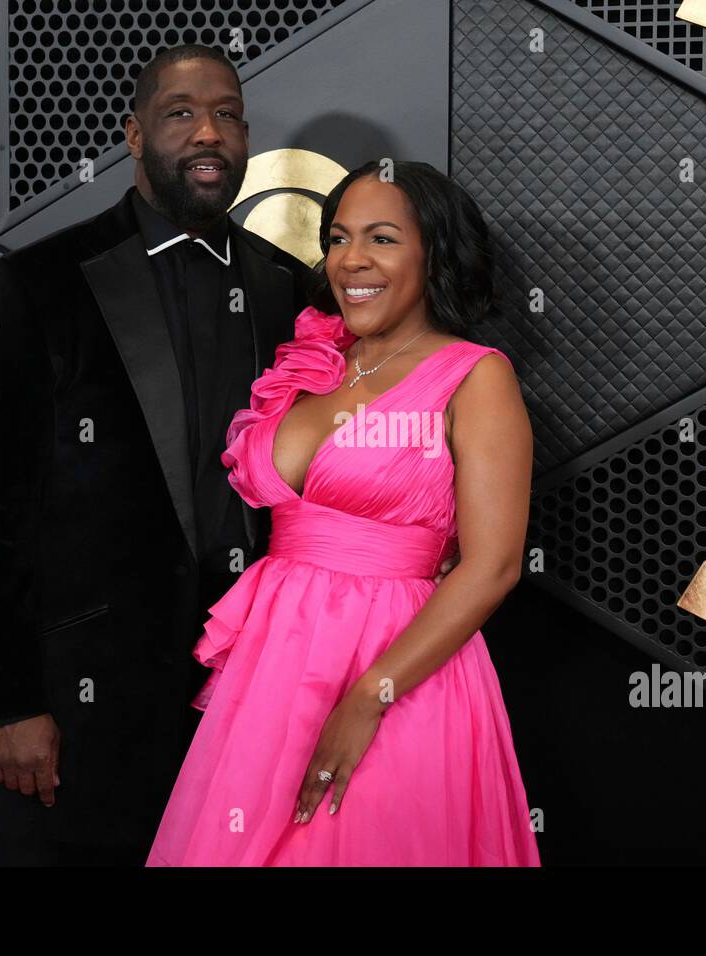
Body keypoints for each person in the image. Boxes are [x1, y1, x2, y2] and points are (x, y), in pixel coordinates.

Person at [0, 45, 310, 865]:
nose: (208, 133)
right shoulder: (40, 283)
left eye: (227, 114)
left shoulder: (287, 287)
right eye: (181, 113)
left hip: (256, 687)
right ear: (135, 135)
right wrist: (9, 704)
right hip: (92, 695)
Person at [145, 159, 541, 866]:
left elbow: (494, 565)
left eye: (382, 238)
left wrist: (369, 697)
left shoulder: (475, 376)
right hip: (273, 667)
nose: (351, 259)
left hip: (400, 670)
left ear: (434, 253)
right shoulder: (314, 360)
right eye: (337, 237)